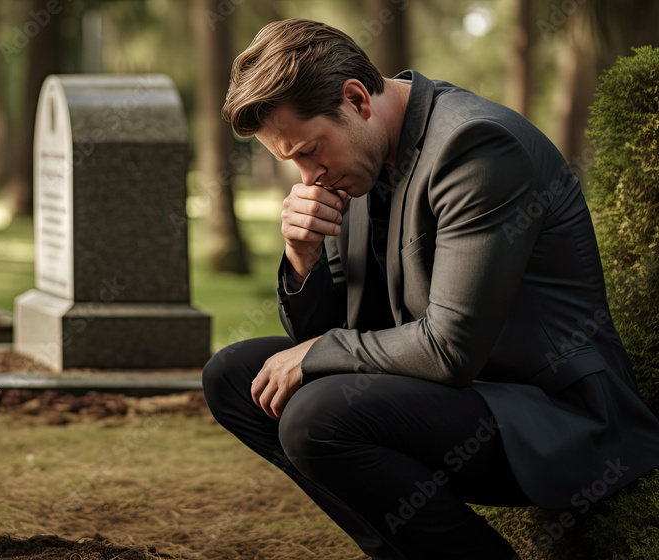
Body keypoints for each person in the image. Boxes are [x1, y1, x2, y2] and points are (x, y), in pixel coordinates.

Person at [203, 18, 659, 560]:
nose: (308, 178)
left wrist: (317, 354)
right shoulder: (356, 163)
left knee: (316, 416)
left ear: (356, 99)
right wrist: (302, 258)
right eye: (292, 161)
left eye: (309, 150)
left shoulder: (476, 146)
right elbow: (330, 337)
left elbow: (451, 348)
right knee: (234, 377)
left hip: (551, 415)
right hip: (445, 397)